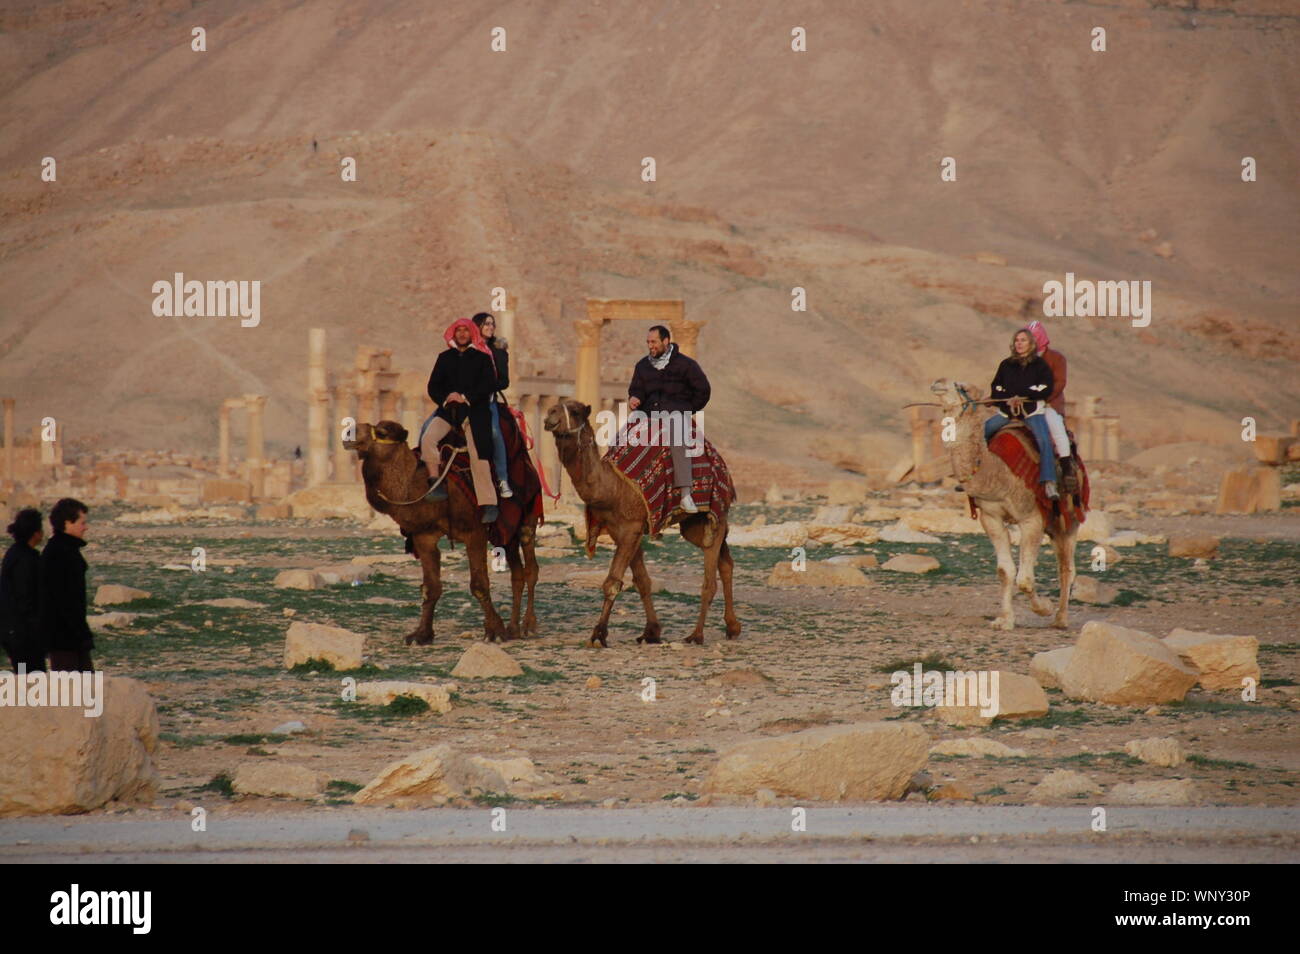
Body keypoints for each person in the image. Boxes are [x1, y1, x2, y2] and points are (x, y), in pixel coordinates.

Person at [420, 317, 500, 522]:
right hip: (449, 411)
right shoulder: (444, 358)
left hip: (474, 412)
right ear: (453, 334)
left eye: (466, 330)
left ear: (471, 333)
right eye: (459, 331)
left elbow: (488, 384)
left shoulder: (482, 358)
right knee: (428, 438)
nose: (462, 334)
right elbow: (433, 386)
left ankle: (489, 503)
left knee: (477, 451)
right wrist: (446, 398)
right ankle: (434, 483)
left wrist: (464, 397)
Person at [628, 324, 711, 513]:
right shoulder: (642, 366)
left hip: (676, 415)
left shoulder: (686, 365)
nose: (650, 346)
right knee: (620, 439)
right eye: (648, 342)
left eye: (654, 342)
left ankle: (685, 494)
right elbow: (636, 389)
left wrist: (687, 409)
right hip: (649, 415)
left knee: (677, 439)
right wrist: (635, 398)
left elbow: (703, 390)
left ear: (666, 341)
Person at [984, 328, 1059, 499]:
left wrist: (1022, 396)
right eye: (1017, 340)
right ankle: (975, 475)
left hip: (1032, 412)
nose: (1019, 343)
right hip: (1007, 413)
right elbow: (996, 388)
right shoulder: (1006, 364)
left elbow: (1045, 388)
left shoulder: (1040, 366)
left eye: (1023, 340)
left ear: (1031, 344)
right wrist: (1008, 398)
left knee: (1044, 439)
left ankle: (1049, 482)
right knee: (983, 431)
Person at [38, 498, 95, 672]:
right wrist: (78, 632)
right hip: (64, 639)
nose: (86, 527)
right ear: (67, 523)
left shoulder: (64, 549)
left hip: (72, 637)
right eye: (82, 522)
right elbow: (61, 599)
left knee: (86, 692)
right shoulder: (60, 553)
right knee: (71, 693)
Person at [1025, 319, 1076, 483]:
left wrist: (1042, 397)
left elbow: (1060, 382)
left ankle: (1067, 469)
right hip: (1024, 405)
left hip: (1048, 404)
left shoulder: (1056, 358)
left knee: (1057, 431)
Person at [471, 311, 514, 500]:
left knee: (495, 433)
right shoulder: (466, 347)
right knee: (431, 426)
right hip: (465, 400)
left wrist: (485, 386)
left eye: (492, 324)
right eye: (486, 324)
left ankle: (503, 479)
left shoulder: (498, 349)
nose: (490, 327)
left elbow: (504, 381)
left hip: (486, 401)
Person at [0, 508, 44, 674]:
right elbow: (25, 597)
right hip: (23, 634)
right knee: (32, 679)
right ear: (35, 533)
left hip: (15, 631)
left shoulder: (15, 553)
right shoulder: (25, 559)